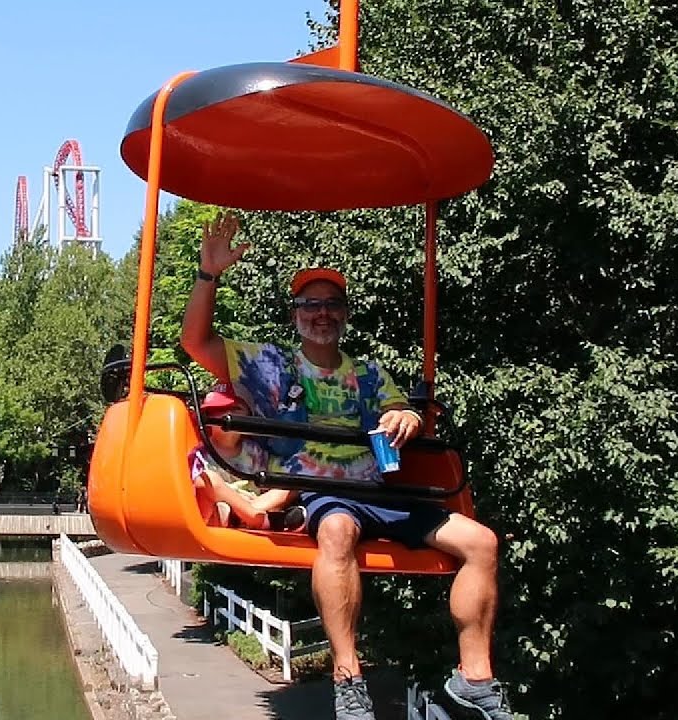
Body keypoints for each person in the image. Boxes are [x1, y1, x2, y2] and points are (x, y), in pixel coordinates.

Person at [179, 212, 511, 720]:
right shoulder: (273, 367)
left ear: (345, 314)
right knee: (336, 530)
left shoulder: (370, 376)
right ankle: (348, 679)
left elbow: (403, 413)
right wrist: (209, 275)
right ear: (295, 315)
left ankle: (475, 678)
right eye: (311, 304)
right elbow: (196, 343)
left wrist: (404, 417)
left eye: (332, 304)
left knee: (481, 543)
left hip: (378, 491)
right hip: (320, 491)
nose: (322, 313)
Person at [189, 383, 305, 531]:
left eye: (236, 409)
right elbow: (198, 491)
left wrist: (250, 506)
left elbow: (271, 482)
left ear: (249, 416)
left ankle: (244, 518)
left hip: (253, 504)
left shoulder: (254, 450)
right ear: (208, 417)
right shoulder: (200, 454)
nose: (228, 415)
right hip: (219, 508)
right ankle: (263, 521)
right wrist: (238, 501)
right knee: (208, 480)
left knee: (292, 482)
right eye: (218, 410)